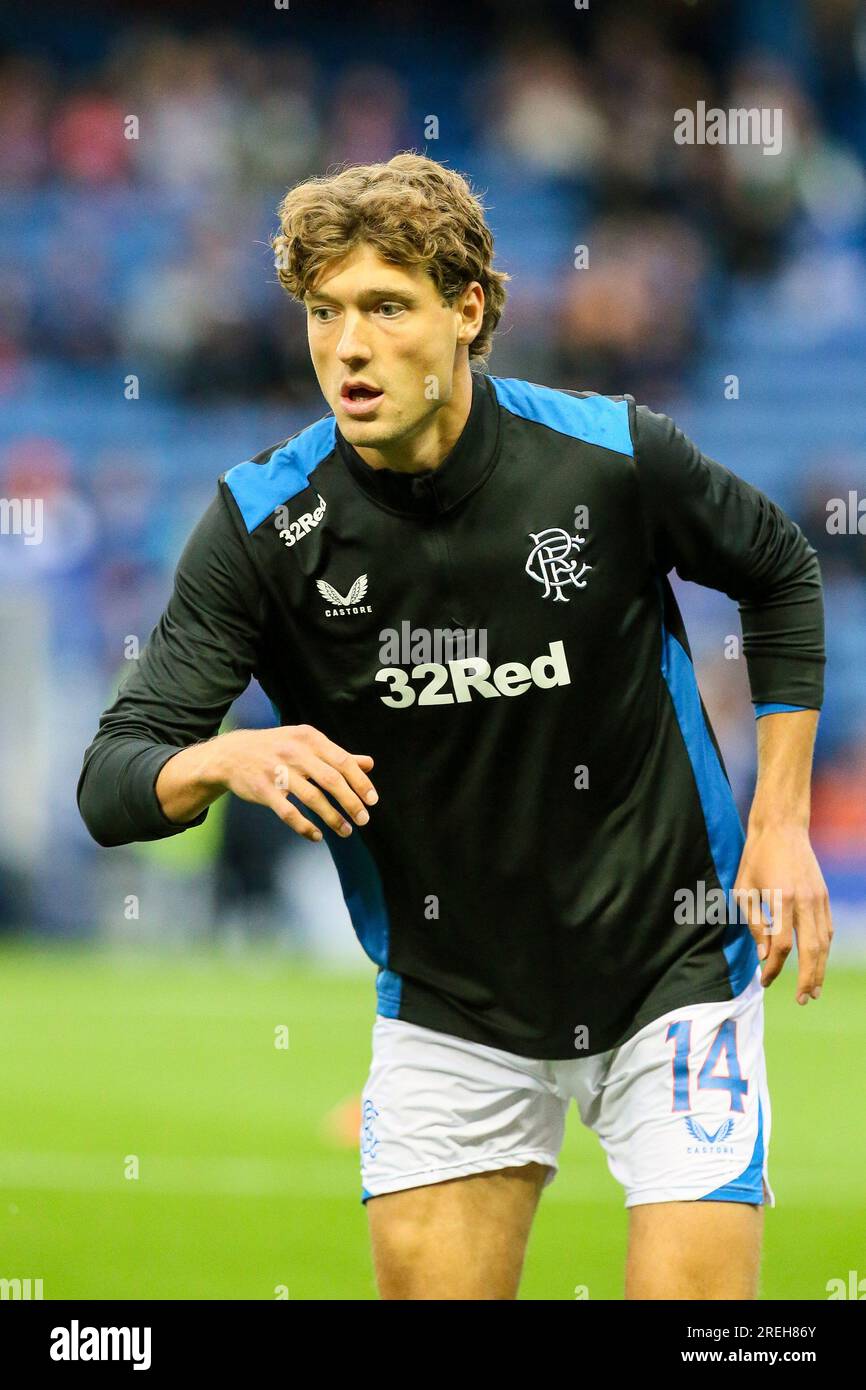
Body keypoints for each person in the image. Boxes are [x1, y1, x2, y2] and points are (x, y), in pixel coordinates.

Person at [78, 152, 832, 1301]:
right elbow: (111, 779)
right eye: (324, 313)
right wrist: (226, 752)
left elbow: (778, 570)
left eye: (385, 307)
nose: (347, 346)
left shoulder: (609, 458)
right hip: (449, 1002)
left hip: (668, 964)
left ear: (466, 310)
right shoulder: (260, 527)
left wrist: (780, 825)